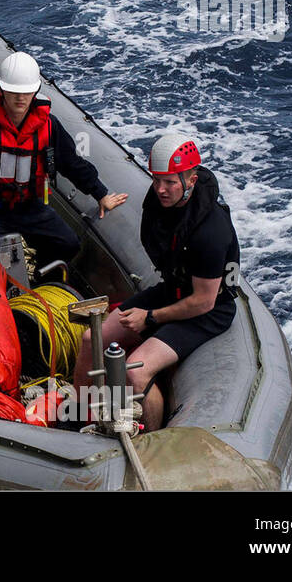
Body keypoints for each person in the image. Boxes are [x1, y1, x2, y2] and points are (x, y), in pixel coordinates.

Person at [71, 134, 241, 431]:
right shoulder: (160, 205)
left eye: (170, 182)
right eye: (157, 180)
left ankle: (148, 438)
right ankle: (79, 420)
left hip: (206, 313)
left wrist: (150, 318)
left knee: (135, 372)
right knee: (90, 341)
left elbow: (205, 300)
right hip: (171, 291)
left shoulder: (210, 231)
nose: (161, 189)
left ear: (190, 180)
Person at [0, 51, 128, 270]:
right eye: (14, 92)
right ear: (2, 89)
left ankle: (39, 278)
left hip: (27, 206)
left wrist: (100, 193)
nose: (20, 98)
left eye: (26, 92)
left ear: (35, 90)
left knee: (67, 244)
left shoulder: (49, 126)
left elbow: (71, 163)